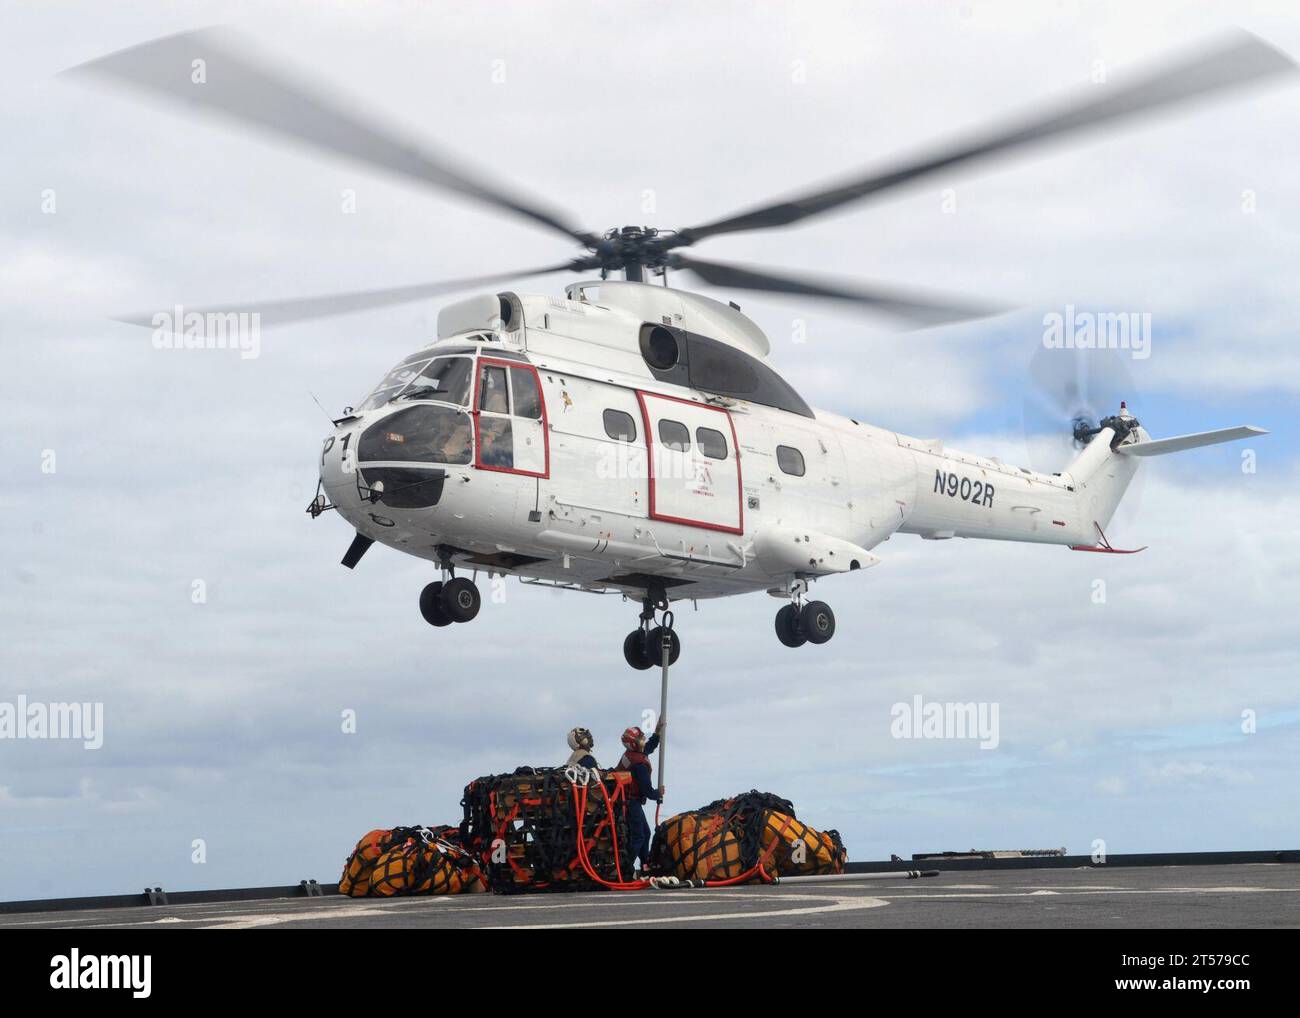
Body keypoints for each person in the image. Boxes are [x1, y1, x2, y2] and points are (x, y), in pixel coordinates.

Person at [615, 720, 665, 873]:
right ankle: (625, 869)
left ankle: (645, 865)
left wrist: (657, 733)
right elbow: (646, 790)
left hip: (627, 800)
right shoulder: (639, 765)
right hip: (630, 802)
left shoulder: (632, 755)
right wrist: (658, 793)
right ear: (634, 744)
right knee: (638, 836)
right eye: (640, 739)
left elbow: (648, 748)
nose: (643, 740)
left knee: (645, 833)